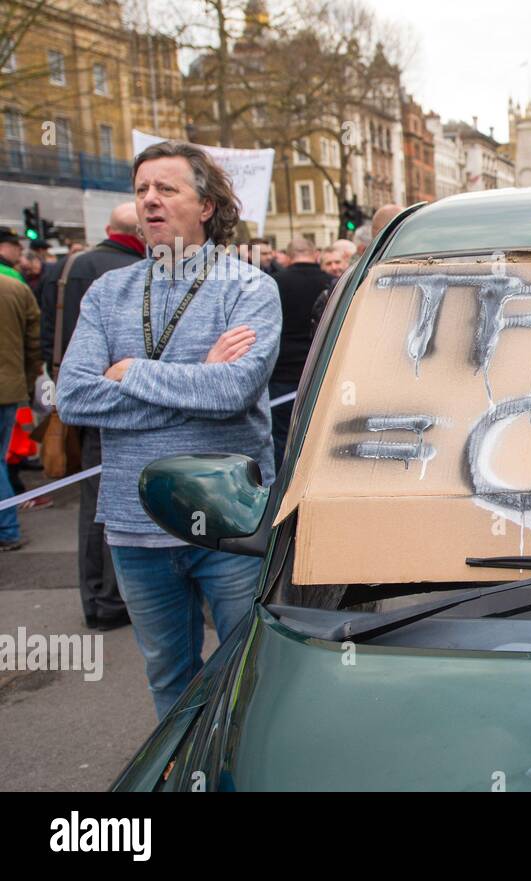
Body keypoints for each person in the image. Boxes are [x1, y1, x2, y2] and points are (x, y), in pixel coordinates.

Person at [57, 140, 281, 718]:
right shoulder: (108, 293)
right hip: (136, 525)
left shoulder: (249, 287)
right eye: (141, 190)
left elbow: (233, 392)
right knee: (169, 680)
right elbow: (75, 397)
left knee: (247, 674)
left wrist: (130, 371)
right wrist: (194, 380)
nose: (149, 201)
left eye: (167, 188)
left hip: (231, 521)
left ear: (206, 206)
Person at [38, 202, 146, 630]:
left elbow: (48, 332)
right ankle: (113, 595)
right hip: (117, 393)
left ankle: (98, 596)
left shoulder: (67, 268)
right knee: (119, 498)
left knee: (92, 499)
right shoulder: (130, 275)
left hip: (79, 390)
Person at [269, 237, 332, 466]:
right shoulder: (333, 283)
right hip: (322, 371)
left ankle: (285, 490)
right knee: (320, 438)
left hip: (284, 374)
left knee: (284, 441)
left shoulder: (275, 283)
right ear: (316, 254)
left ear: (287, 257)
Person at [0, 227, 41, 552]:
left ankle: (8, 528)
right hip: (10, 386)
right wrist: (28, 380)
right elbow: (34, 342)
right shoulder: (14, 285)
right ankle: (9, 527)